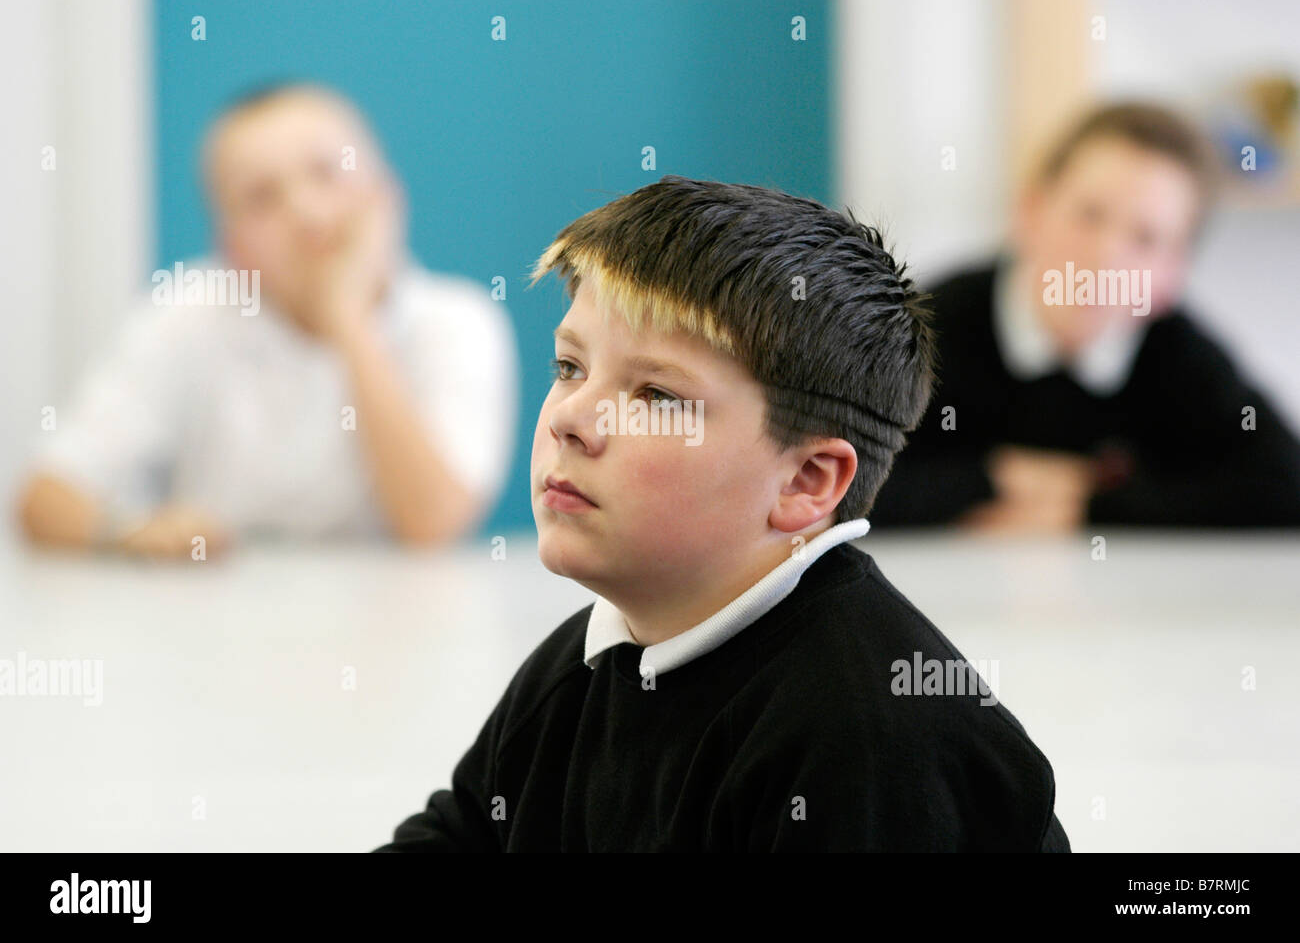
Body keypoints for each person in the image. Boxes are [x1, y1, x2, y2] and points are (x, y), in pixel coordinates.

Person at [375, 176, 1069, 851]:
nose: (573, 420)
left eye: (655, 394)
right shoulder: (577, 672)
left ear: (806, 480)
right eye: (570, 368)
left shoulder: (869, 739)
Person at [15, 83, 517, 556]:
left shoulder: (458, 322)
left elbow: (432, 524)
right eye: (261, 196)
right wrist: (130, 532)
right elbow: (44, 497)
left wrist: (345, 317)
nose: (304, 210)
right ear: (231, 247)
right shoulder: (190, 311)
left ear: (386, 195)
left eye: (326, 172)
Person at [870, 102, 1300, 530]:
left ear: (1175, 276)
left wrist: (1092, 504)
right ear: (1031, 211)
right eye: (1089, 215)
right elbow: (827, 481)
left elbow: (1284, 484)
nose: (1106, 257)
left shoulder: (1179, 353)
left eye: (1146, 238)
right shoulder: (926, 328)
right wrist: (994, 480)